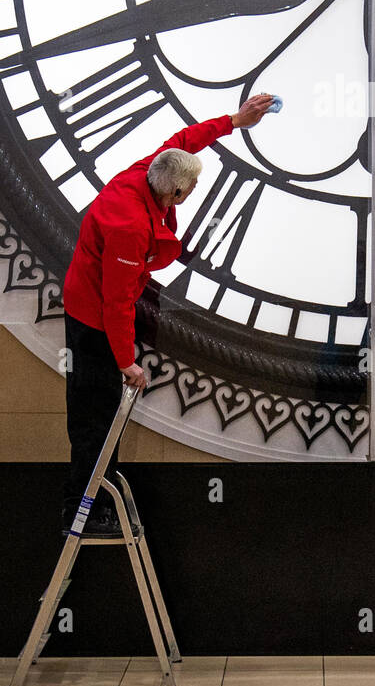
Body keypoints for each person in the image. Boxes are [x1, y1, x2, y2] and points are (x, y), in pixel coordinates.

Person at [60, 94, 275, 536]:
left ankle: (94, 497)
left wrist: (236, 120)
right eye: (190, 190)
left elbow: (183, 141)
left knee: (97, 415)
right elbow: (115, 304)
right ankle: (84, 511)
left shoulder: (147, 172)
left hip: (94, 309)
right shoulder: (129, 228)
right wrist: (125, 362)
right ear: (175, 191)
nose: (191, 194)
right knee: (94, 418)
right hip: (94, 323)